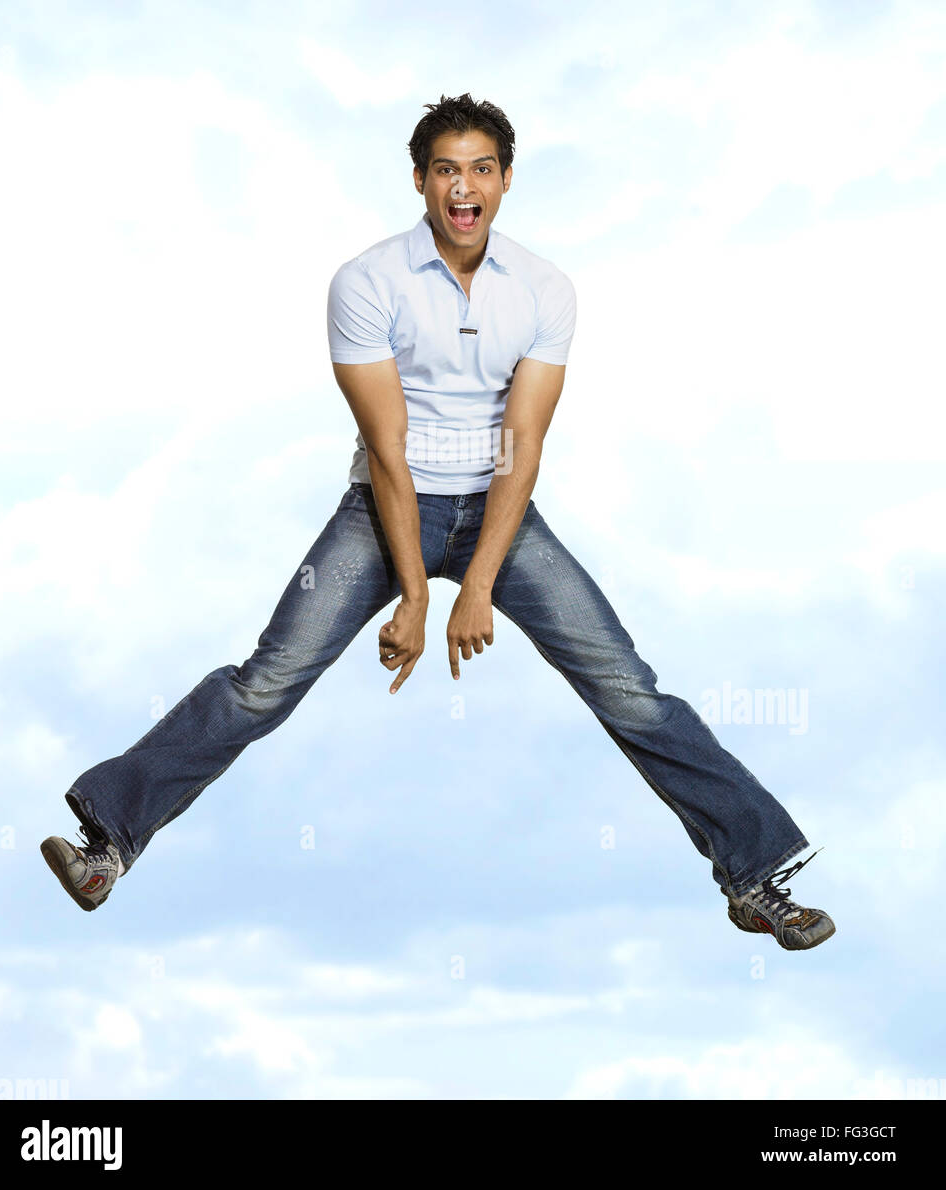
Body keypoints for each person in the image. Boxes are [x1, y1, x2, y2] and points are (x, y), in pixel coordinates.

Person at [41, 92, 834, 951]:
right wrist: (415, 592)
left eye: (481, 170)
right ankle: (106, 844)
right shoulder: (366, 281)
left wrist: (480, 583)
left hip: (500, 507)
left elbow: (522, 442)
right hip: (389, 505)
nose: (465, 188)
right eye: (447, 170)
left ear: (504, 181)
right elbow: (387, 446)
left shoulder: (543, 289)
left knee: (628, 691)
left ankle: (756, 881)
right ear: (420, 181)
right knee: (266, 681)